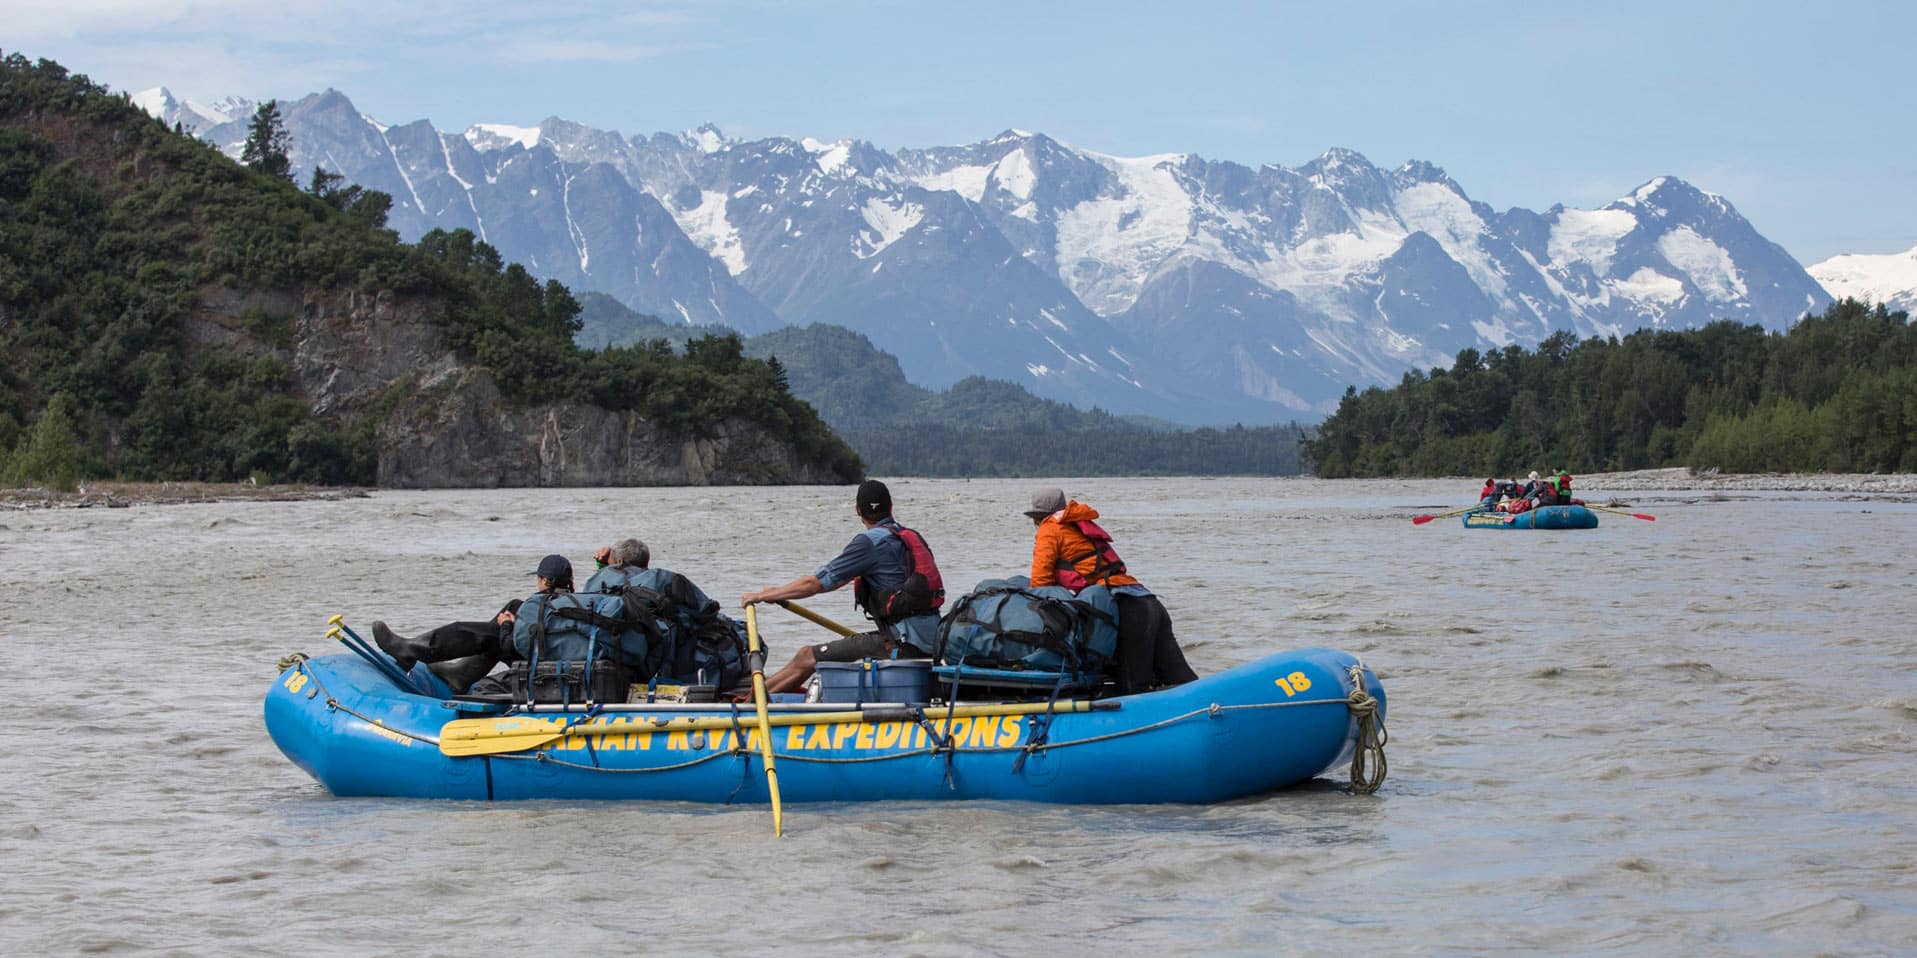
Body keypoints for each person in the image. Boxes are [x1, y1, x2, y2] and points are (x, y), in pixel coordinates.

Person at [742, 479, 943, 695]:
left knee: (806, 657)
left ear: (858, 511)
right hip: (932, 641)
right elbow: (839, 579)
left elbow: (815, 584)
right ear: (891, 507)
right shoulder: (908, 538)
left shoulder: (869, 543)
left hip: (902, 643)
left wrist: (765, 595)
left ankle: (748, 705)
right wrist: (776, 594)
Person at [1025, 487, 1197, 693]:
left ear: (1038, 517)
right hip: (1146, 599)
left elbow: (1041, 583)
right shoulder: (1077, 524)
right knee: (1180, 679)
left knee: (1132, 686)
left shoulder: (1049, 529)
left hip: (1125, 609)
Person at [368, 556, 580, 693]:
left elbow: (510, 646)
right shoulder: (572, 604)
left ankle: (413, 651)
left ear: (545, 581)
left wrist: (507, 626)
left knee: (481, 634)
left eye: (539, 578)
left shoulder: (542, 606)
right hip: (549, 654)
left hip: (543, 665)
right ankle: (462, 673)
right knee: (514, 606)